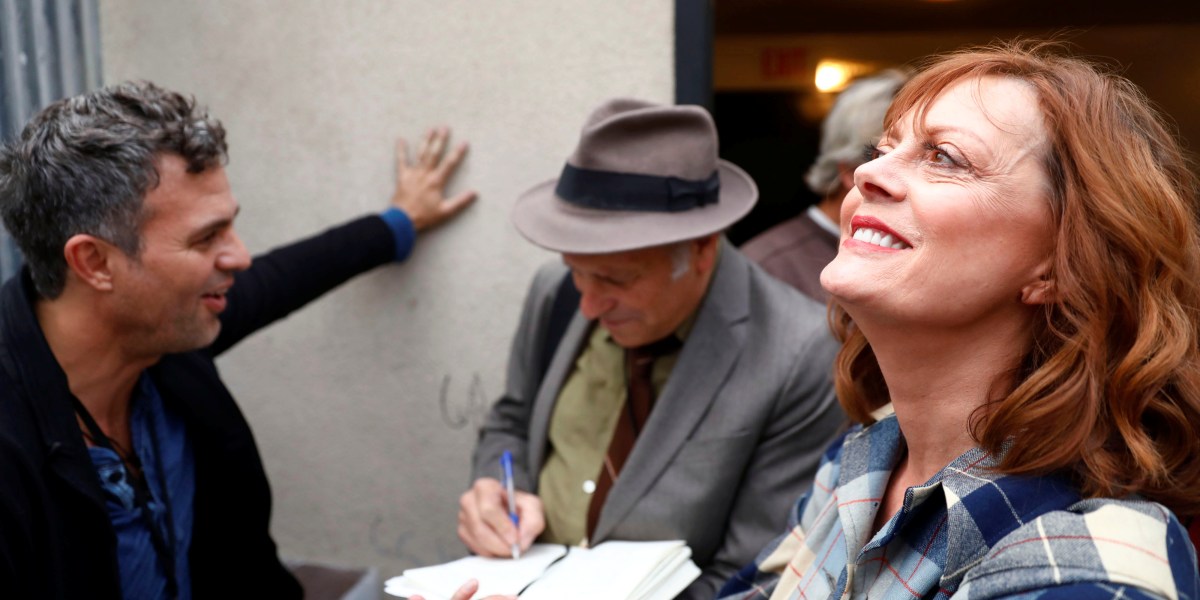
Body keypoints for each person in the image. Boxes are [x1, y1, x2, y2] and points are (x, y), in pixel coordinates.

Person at [716, 41, 1200, 599]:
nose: (868, 174)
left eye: (944, 157)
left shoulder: (1087, 574)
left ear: (1062, 264)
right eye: (883, 146)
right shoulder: (861, 462)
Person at [0, 80, 475, 599]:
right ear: (95, 262)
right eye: (206, 237)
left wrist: (398, 224)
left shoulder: (165, 335)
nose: (239, 257)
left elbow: (282, 278)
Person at [456, 98, 846, 600]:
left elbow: (751, 578)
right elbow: (512, 418)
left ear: (703, 248)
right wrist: (495, 487)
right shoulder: (555, 291)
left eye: (617, 279)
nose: (590, 305)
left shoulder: (798, 352)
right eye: (577, 269)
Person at [741, 69, 909, 302]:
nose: (912, 184)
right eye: (884, 156)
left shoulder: (908, 251)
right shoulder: (767, 267)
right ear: (851, 170)